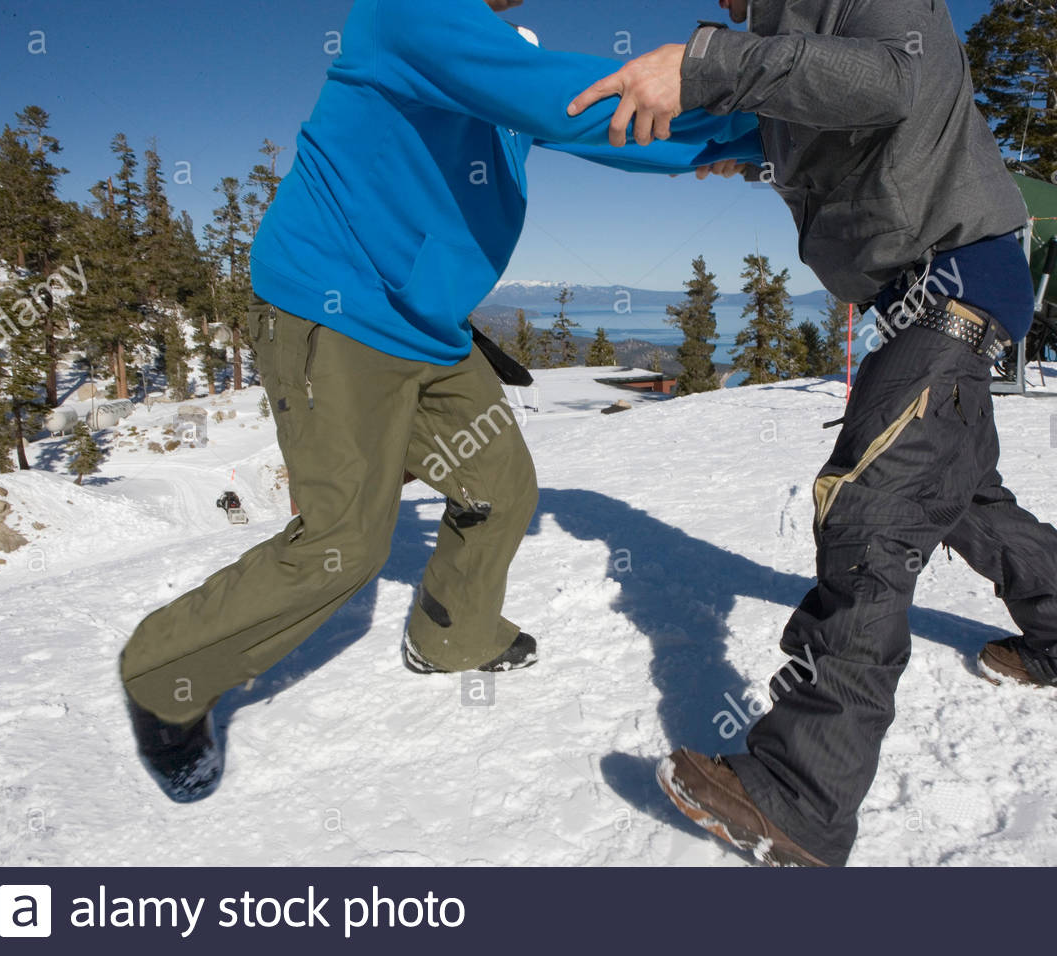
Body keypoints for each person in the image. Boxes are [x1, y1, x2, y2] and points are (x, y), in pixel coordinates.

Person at [119, 0, 762, 803]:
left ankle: (451, 639)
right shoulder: (407, 12)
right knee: (345, 542)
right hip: (336, 311)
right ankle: (161, 675)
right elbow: (557, 96)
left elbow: (593, 124)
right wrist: (764, 119)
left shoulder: (500, 55)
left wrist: (745, 144)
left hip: (427, 329)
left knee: (500, 488)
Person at [570, 0, 1057, 866]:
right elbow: (821, 107)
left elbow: (890, 80)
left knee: (871, 515)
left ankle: (802, 793)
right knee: (960, 496)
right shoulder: (776, 32)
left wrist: (708, 63)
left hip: (952, 280)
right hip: (922, 299)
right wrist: (752, 141)